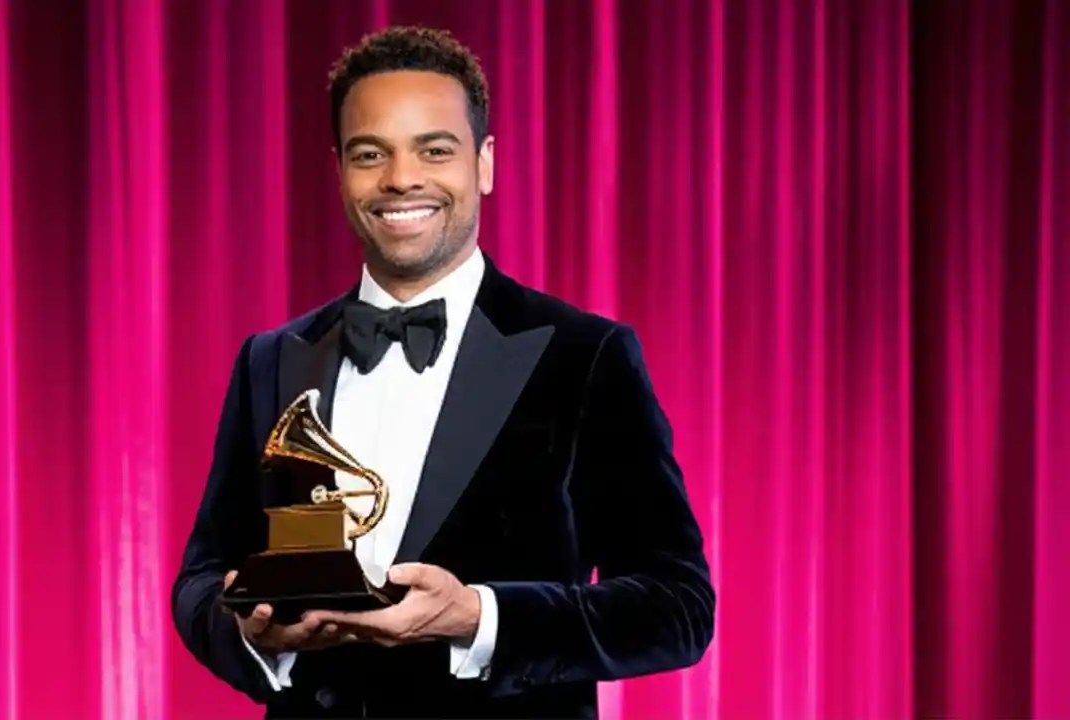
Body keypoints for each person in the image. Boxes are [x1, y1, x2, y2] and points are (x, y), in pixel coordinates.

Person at [171, 25, 714, 719]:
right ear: (339, 169)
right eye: (372, 154)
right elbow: (200, 577)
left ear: (483, 163)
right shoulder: (270, 358)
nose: (401, 177)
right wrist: (253, 637)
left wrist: (478, 618)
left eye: (435, 149)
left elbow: (679, 606)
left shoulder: (587, 355)